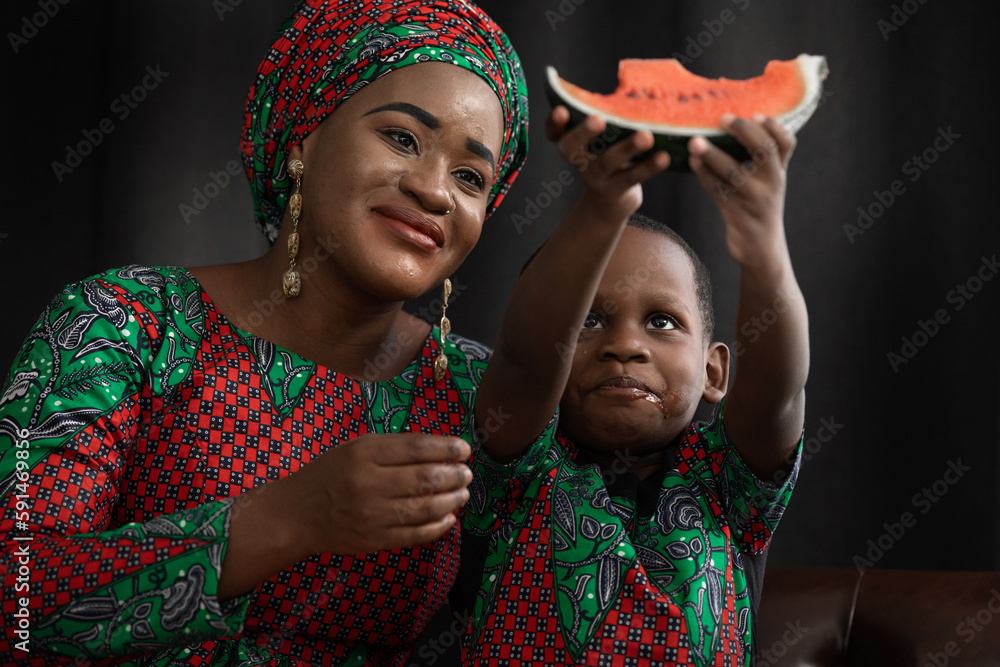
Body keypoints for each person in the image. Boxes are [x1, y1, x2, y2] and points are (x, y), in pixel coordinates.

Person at [0, 0, 528, 665]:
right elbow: (13, 600)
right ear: (303, 134)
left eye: (471, 176)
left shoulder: (475, 396)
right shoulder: (121, 321)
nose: (435, 191)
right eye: (401, 137)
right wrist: (291, 517)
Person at [459, 109, 808, 664]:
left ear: (715, 372)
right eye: (588, 322)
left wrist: (763, 240)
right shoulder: (517, 469)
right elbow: (526, 358)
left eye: (662, 322)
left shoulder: (728, 481)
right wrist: (601, 207)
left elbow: (778, 393)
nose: (625, 344)